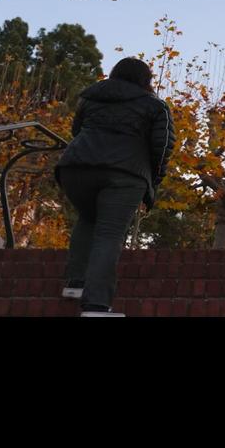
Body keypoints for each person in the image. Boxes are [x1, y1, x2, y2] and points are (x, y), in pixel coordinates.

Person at [54, 57, 174, 316]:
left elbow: (77, 131)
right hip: (124, 172)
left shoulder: (90, 98)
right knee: (109, 233)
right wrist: (153, 181)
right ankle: (96, 304)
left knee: (87, 219)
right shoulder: (155, 107)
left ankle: (77, 282)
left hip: (75, 168)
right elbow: (162, 148)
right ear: (146, 80)